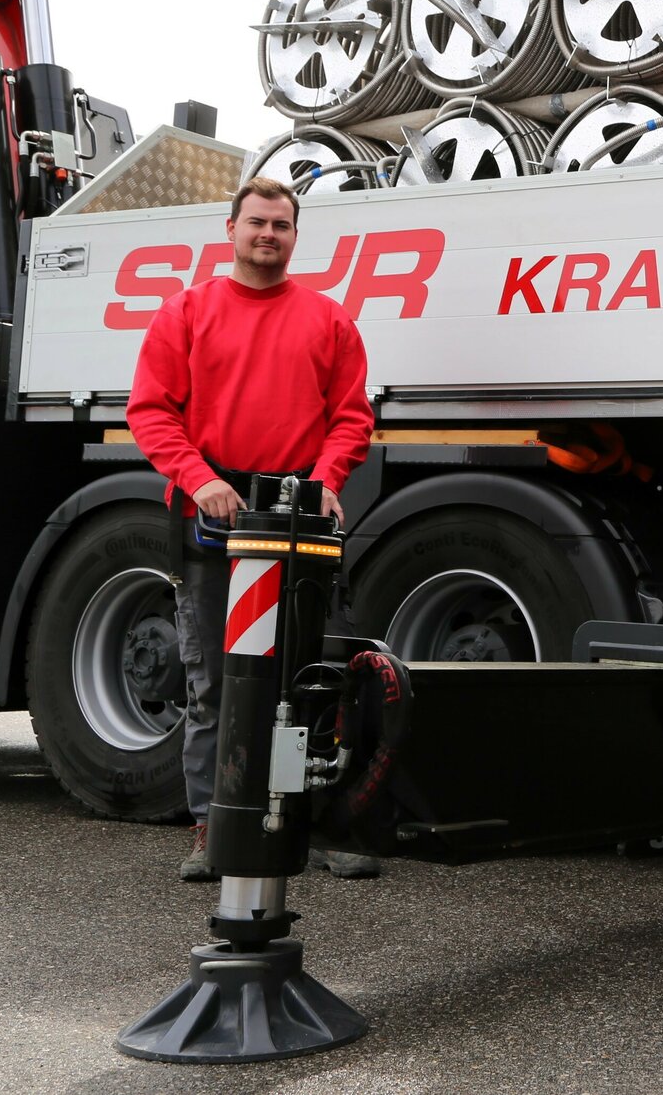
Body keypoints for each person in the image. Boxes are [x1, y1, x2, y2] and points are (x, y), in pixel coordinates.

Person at [128, 177, 377, 881]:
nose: (269, 234)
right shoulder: (186, 313)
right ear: (230, 228)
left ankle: (308, 822)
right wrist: (200, 479)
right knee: (216, 685)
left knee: (302, 683)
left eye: (282, 225)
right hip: (211, 521)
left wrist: (328, 480)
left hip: (295, 521)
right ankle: (213, 827)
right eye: (258, 222)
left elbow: (352, 417)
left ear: (296, 237)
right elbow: (151, 411)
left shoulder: (328, 321)